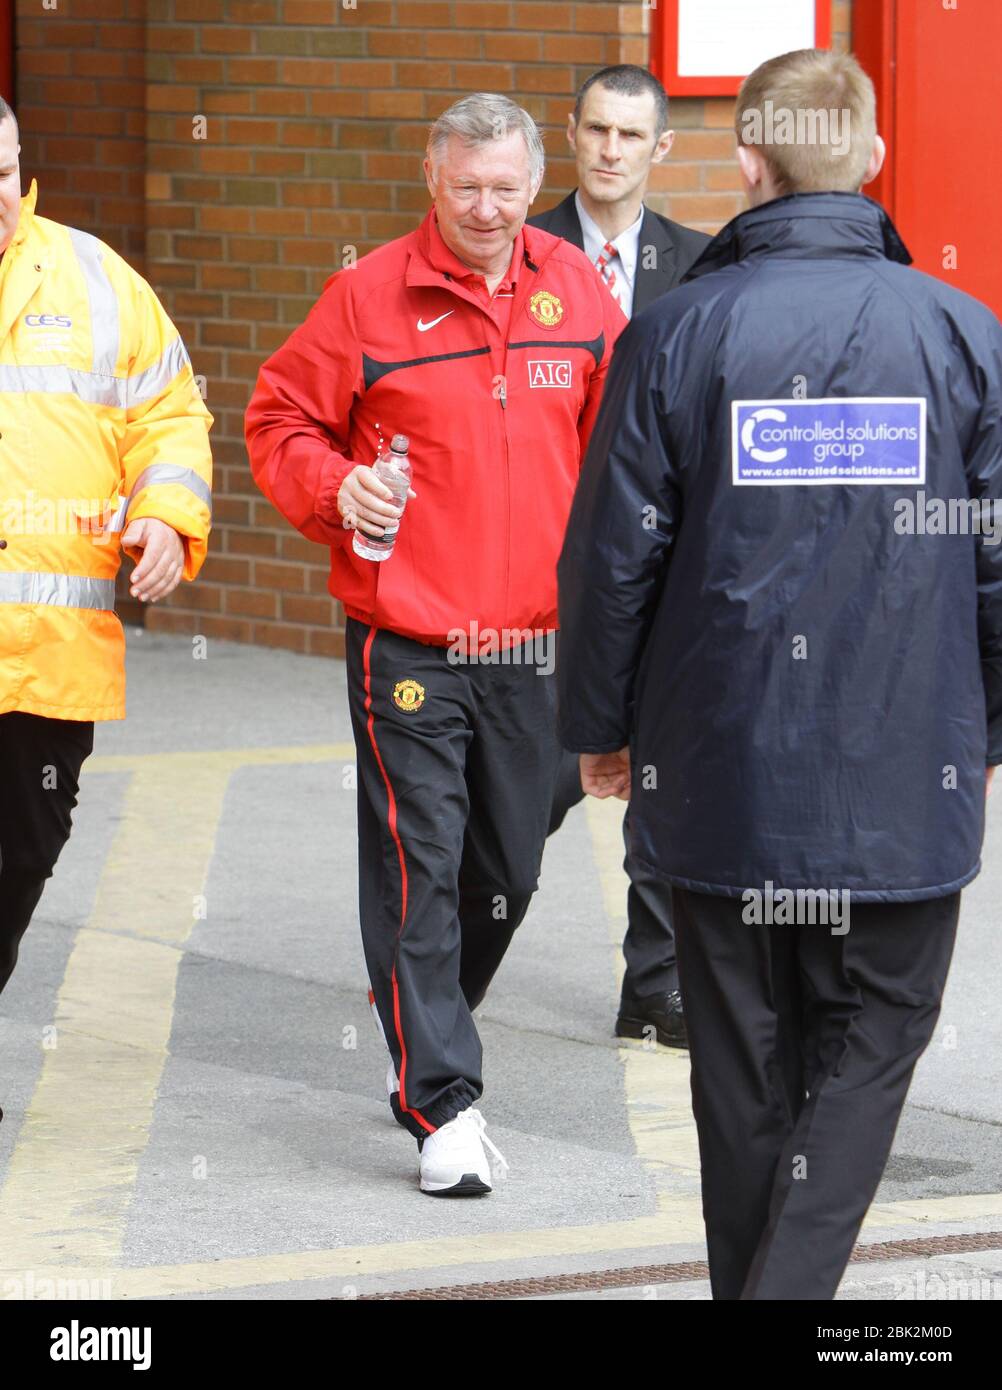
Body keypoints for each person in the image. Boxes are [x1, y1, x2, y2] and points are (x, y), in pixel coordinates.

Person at [555, 47, 1002, 1299]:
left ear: (745, 160)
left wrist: (600, 721)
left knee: (742, 1067)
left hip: (722, 782)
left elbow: (610, 559)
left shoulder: (675, 331)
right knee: (870, 1047)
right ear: (870, 158)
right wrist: (981, 731)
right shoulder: (968, 338)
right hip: (906, 782)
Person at [246, 93, 626, 1196]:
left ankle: (420, 1012)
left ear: (533, 180)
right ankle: (443, 1106)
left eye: (507, 188)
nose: (487, 209)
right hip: (406, 640)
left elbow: (623, 452)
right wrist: (338, 484)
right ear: (430, 172)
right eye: (466, 187)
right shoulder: (366, 296)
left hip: (537, 650)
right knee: (421, 866)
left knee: (504, 865)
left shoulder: (578, 290)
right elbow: (278, 421)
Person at [0, 99, 214, 1116]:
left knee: (24, 851)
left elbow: (169, 413)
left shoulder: (92, 279)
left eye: (3, 172)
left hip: (50, 656)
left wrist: (169, 516)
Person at [531, 64, 711, 1050]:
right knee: (537, 788)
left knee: (666, 777)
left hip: (662, 566)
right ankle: (462, 929)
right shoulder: (521, 249)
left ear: (660, 149)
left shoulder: (703, 261)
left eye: (630, 136)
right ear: (572, 134)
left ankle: (657, 981)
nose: (609, 151)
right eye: (596, 130)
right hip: (534, 571)